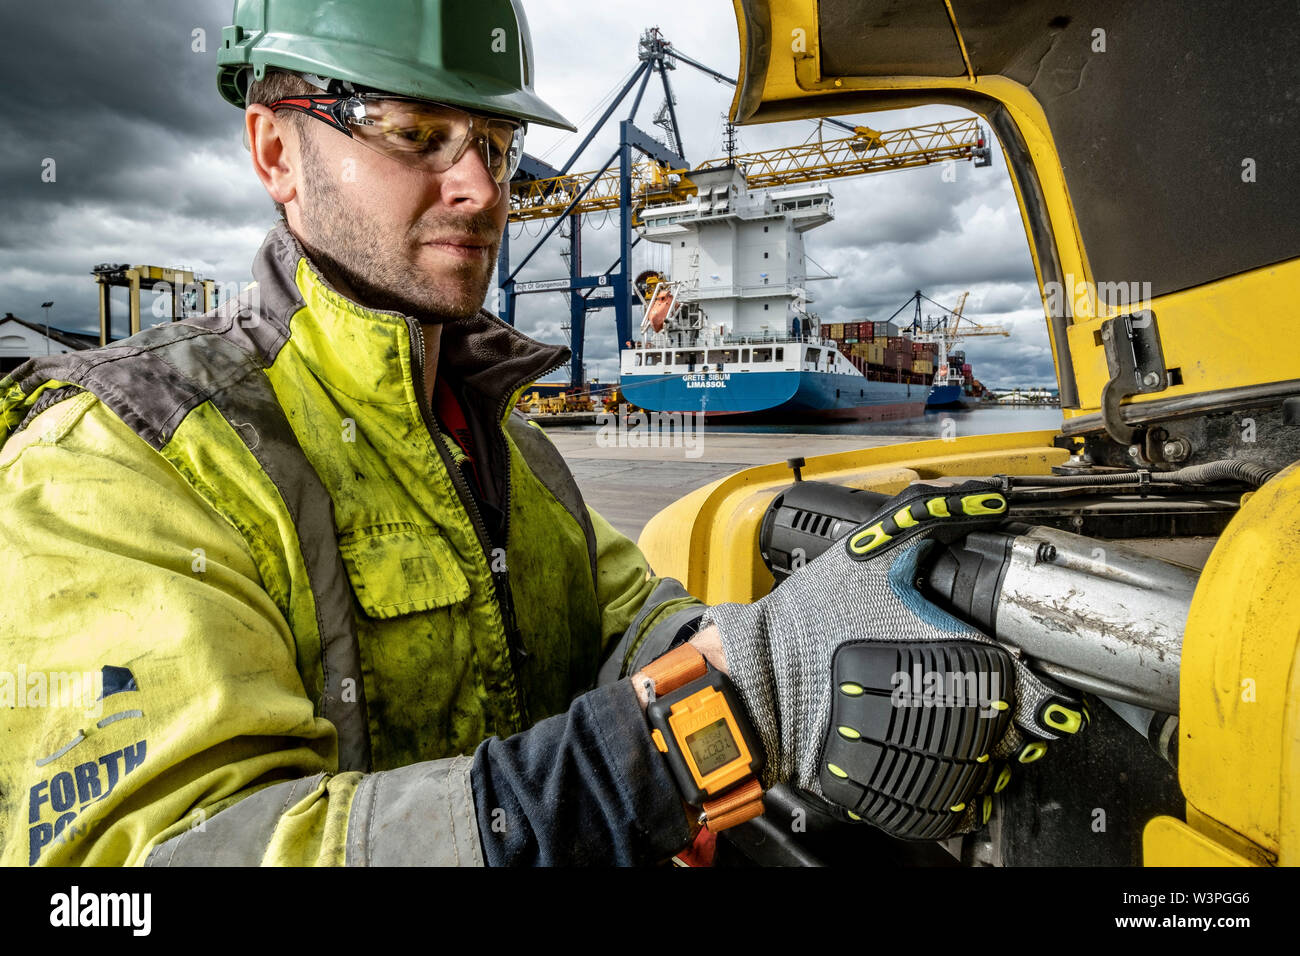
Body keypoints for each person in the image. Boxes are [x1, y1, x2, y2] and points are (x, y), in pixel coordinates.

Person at [0, 0, 1080, 867]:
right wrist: (687, 739)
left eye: (497, 143)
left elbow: (621, 622)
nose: (479, 188)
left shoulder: (507, 447)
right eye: (417, 135)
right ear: (273, 150)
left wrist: (796, 640)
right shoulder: (118, 462)